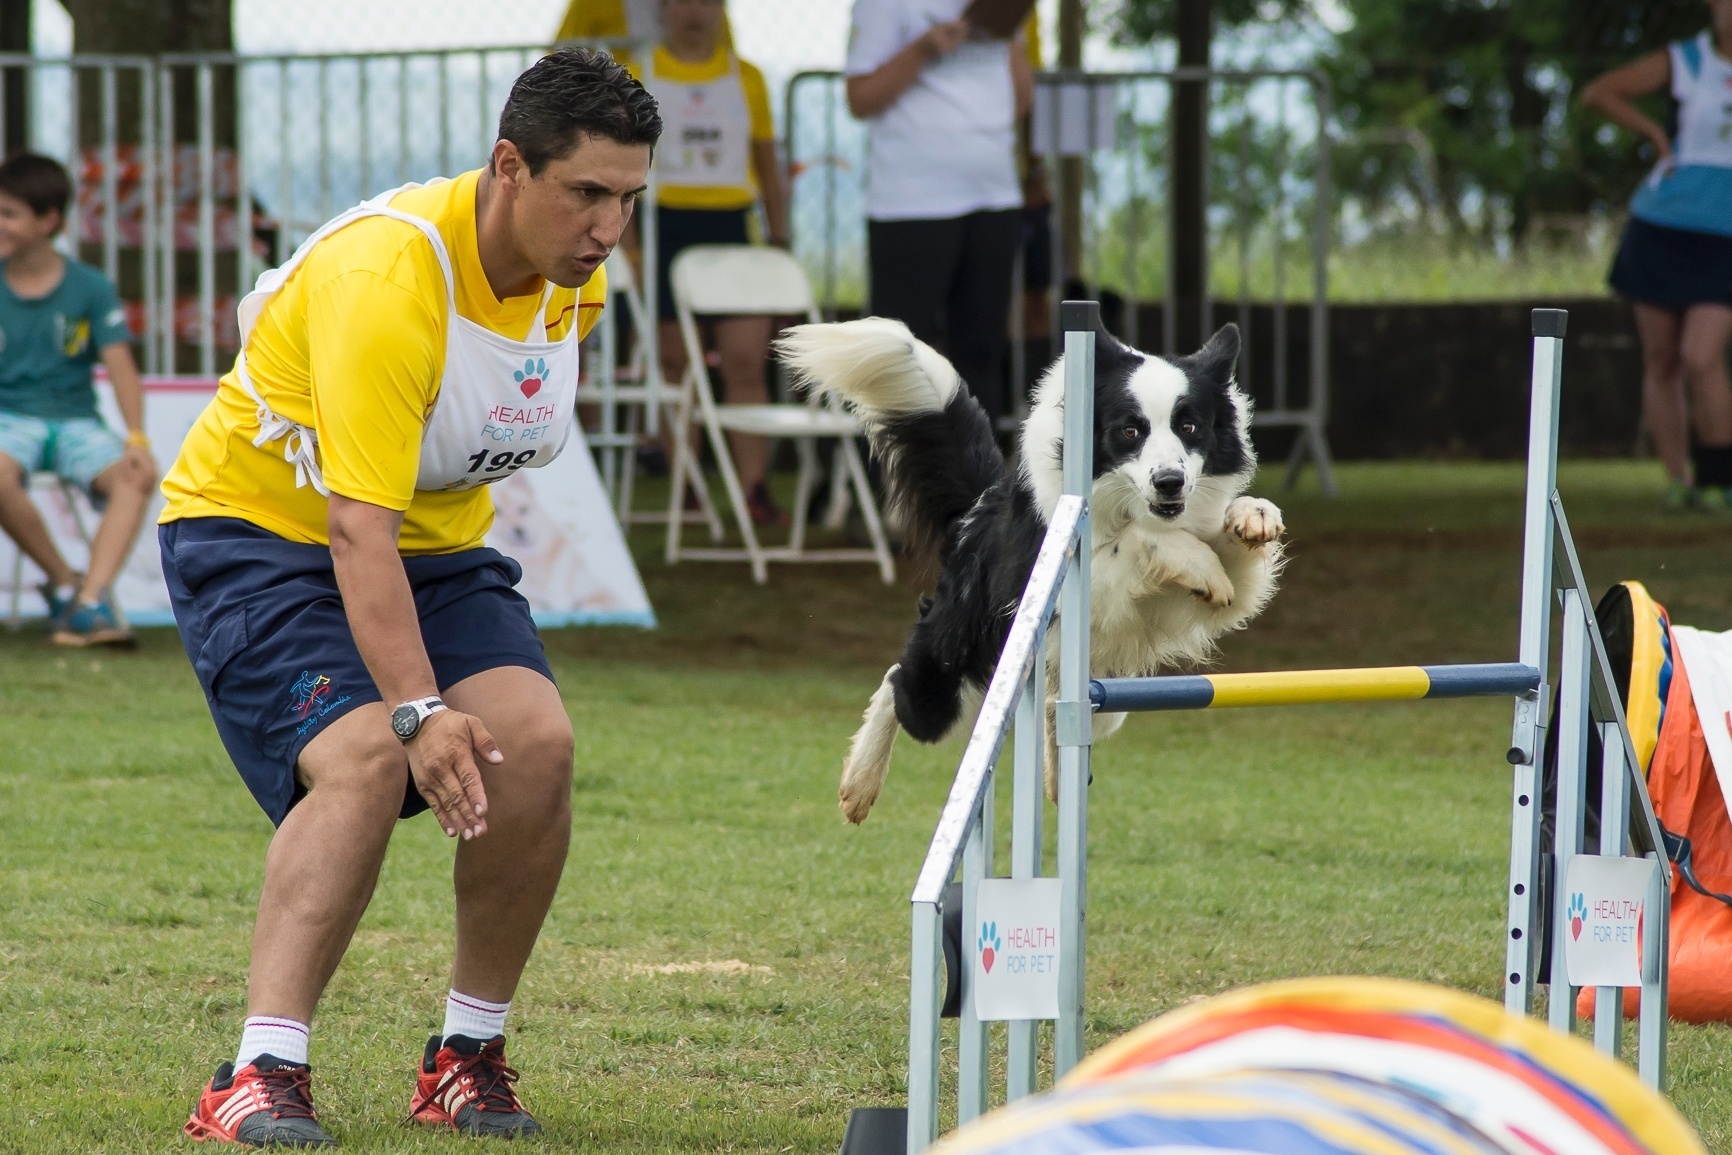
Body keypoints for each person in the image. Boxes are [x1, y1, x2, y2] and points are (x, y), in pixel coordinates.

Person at [163, 49, 658, 1145]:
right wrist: (419, 709)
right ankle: (254, 1072)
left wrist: (446, 703)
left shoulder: (578, 279)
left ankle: (464, 1058)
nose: (608, 227)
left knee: (534, 745)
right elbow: (355, 528)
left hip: (431, 547)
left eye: (628, 199)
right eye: (586, 193)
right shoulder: (388, 284)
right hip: (258, 533)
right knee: (365, 756)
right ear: (509, 168)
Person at [637, 0, 791, 526]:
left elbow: (768, 163)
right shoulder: (640, 72)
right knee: (676, 365)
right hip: (665, 224)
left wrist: (779, 234)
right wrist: (631, 245)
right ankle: (689, 487)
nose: (694, 12)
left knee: (746, 361)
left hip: (730, 225)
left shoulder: (745, 77)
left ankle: (754, 487)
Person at [845, 2, 1034, 428]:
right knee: (898, 355)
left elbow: (1020, 98)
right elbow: (859, 99)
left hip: (994, 195)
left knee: (982, 352)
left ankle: (979, 486)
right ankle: (895, 488)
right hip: (910, 203)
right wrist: (923, 50)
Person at [0, 152, 155, 646]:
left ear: (49, 221)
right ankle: (67, 586)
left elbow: (121, 368)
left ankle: (90, 602)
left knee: (136, 475)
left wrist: (136, 439)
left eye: (8, 213)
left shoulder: (90, 286)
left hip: (76, 424)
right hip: (9, 422)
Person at [1583, 0, 1732, 511]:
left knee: (1702, 355)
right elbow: (1600, 92)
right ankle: (1678, 481)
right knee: (1661, 358)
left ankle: (1719, 478)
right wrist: (1655, 136)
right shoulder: (1685, 61)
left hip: (1725, 237)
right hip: (1661, 226)